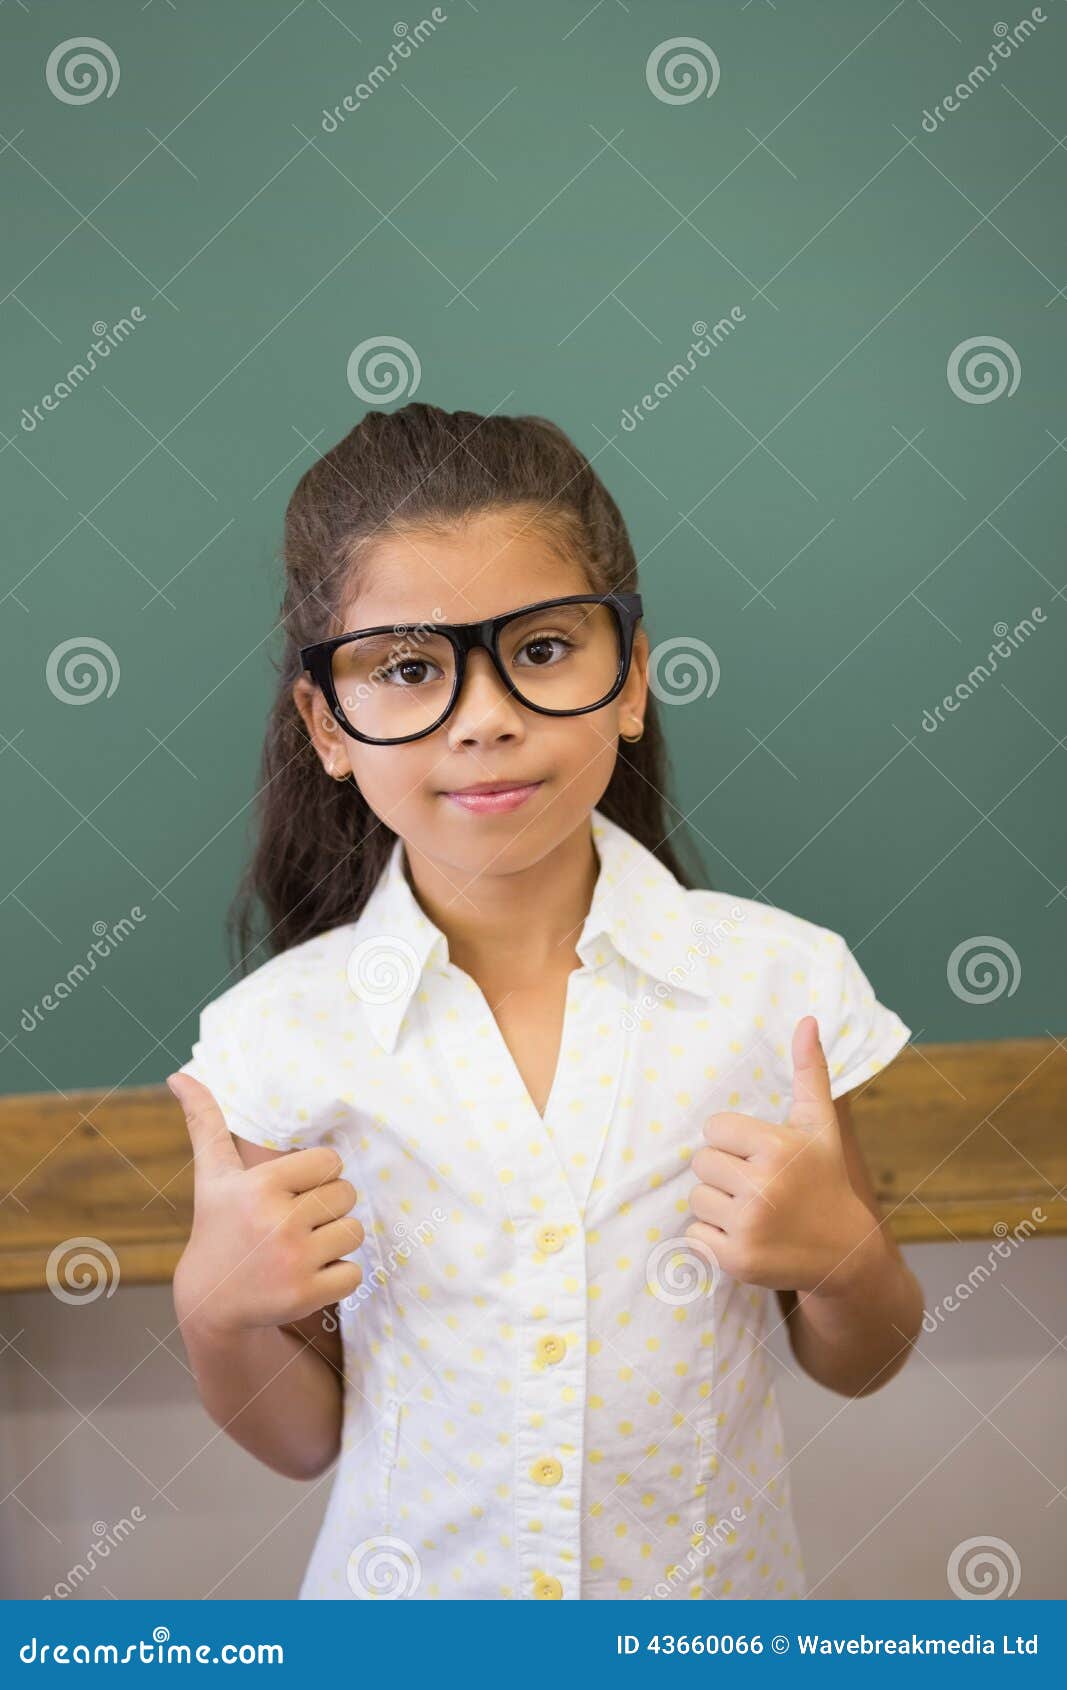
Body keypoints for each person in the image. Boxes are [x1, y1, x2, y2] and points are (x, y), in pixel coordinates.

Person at [169, 402, 923, 1601]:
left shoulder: (776, 989)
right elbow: (302, 1439)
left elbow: (861, 1357)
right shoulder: (275, 1039)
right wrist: (212, 1315)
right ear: (327, 725)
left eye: (539, 649)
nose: (483, 715)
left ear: (629, 678)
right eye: (408, 668)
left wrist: (840, 1260)